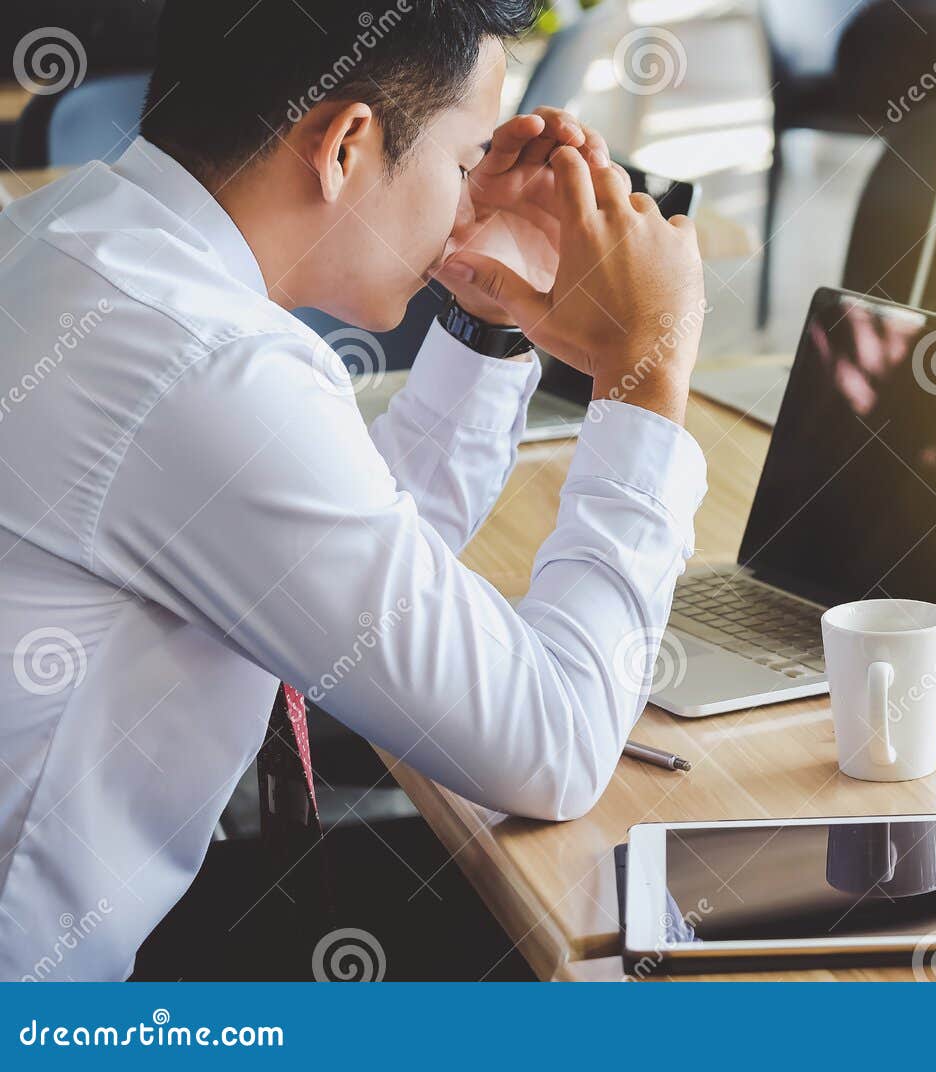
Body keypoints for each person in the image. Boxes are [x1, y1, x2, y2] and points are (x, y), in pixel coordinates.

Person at [0, 0, 706, 980]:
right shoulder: (208, 369)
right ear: (343, 145)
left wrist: (491, 319)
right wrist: (649, 371)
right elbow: (551, 743)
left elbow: (356, 562)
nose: (471, 206)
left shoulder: (63, 234)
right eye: (465, 168)